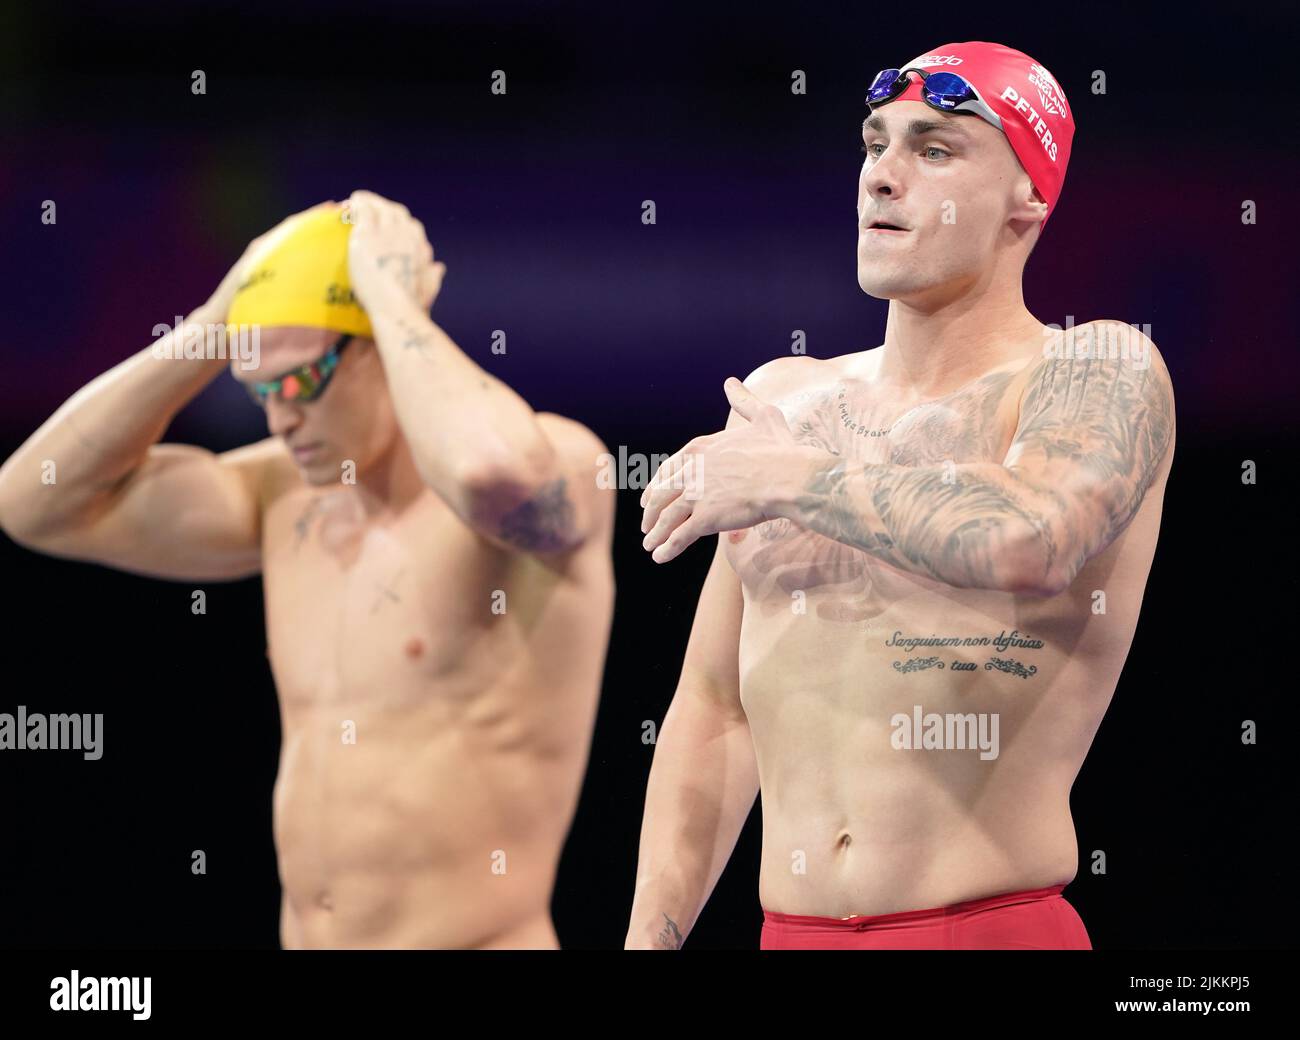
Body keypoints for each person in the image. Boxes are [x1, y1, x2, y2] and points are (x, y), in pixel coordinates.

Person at [628, 41, 1174, 949]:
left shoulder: (1098, 367)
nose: (881, 176)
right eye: (875, 143)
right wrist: (651, 935)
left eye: (933, 149)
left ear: (1029, 197)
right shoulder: (786, 397)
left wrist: (791, 478)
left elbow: (1028, 538)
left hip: (988, 926)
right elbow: (714, 705)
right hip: (789, 932)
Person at [0, 191, 616, 949]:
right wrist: (216, 321)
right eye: (257, 389)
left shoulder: (560, 466)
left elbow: (490, 472)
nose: (277, 418)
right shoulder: (281, 496)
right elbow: (32, 500)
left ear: (376, 349)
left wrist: (391, 300)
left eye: (297, 383)